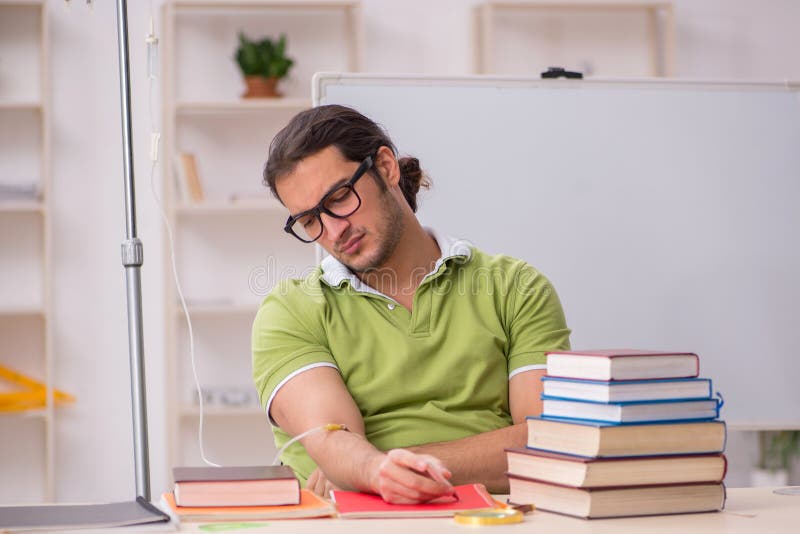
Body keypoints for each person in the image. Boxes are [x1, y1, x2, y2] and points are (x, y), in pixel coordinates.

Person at [252, 105, 571, 504]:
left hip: (498, 518)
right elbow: (334, 441)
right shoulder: (291, 310)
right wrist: (361, 467)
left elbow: (548, 441)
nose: (334, 231)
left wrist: (376, 467)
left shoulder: (516, 288)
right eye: (310, 221)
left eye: (339, 197)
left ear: (385, 167)